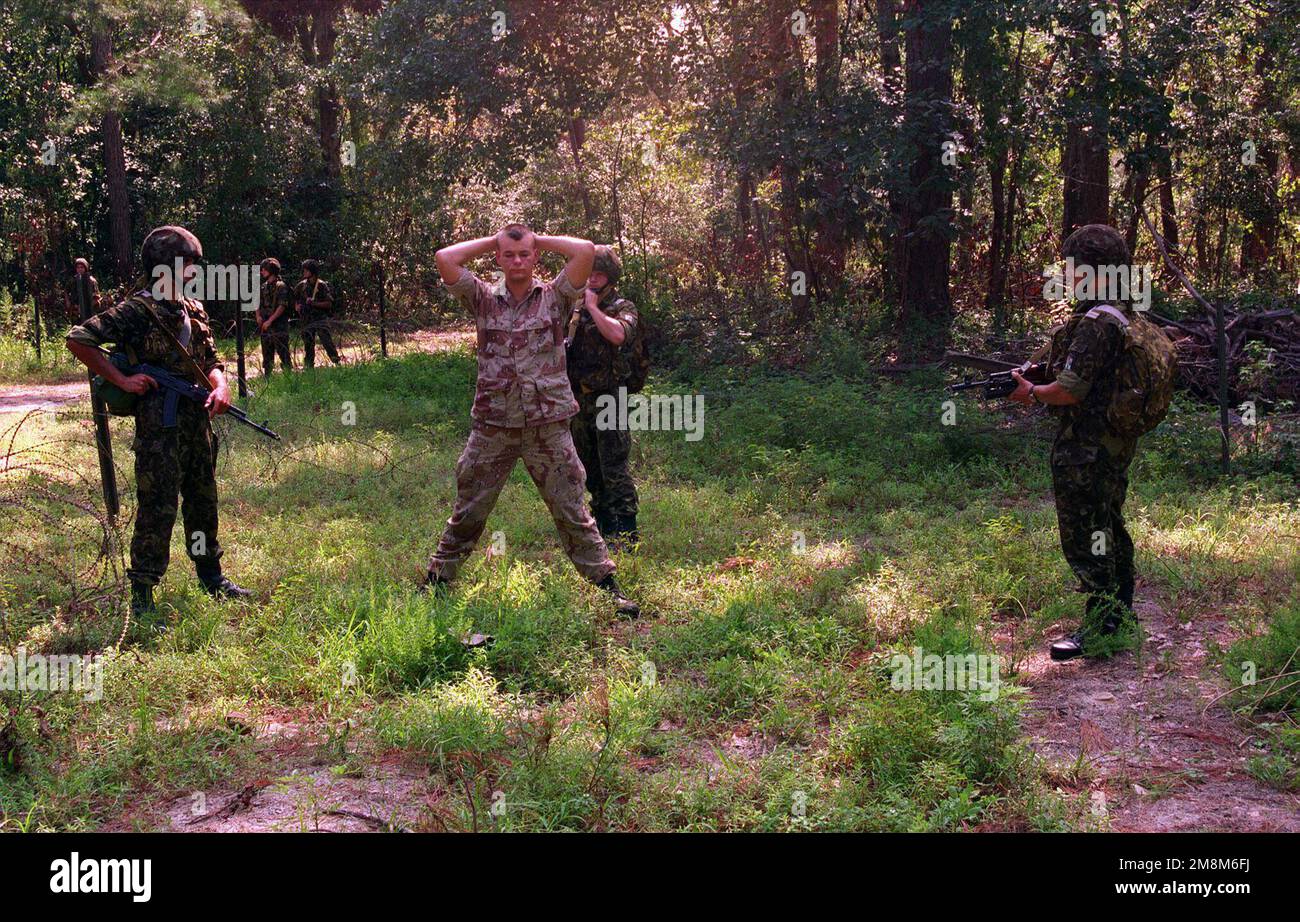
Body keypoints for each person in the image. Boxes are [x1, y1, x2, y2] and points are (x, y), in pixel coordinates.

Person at [422, 223, 639, 617]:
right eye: (509, 255)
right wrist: (496, 240)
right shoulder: (484, 299)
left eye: (525, 254)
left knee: (572, 508)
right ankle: (437, 581)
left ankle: (608, 586)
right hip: (494, 425)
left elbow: (585, 250)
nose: (518, 261)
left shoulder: (556, 297)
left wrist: (532, 239)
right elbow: (445, 259)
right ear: (498, 259)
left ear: (536, 256)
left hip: (548, 425)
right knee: (470, 507)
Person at [64, 225, 252, 626]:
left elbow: (212, 362)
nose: (194, 273)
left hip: (197, 424)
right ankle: (143, 594)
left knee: (203, 501)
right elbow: (79, 338)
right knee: (158, 508)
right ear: (165, 267)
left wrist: (221, 387)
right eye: (188, 265)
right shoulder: (137, 310)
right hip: (159, 432)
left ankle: (211, 576)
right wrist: (122, 380)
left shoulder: (194, 310)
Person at [1009, 223, 1168, 661]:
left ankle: (1101, 626)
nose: (1066, 273)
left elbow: (1070, 390)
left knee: (1088, 533)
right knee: (1109, 525)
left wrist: (1031, 393)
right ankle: (1119, 615)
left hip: (1087, 448)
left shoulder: (1097, 322)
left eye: (1071, 266)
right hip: (1112, 445)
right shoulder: (1123, 313)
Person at [566, 245, 641, 549]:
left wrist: (594, 309)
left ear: (610, 276)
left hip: (609, 397)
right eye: (589, 273)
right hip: (579, 399)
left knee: (614, 465)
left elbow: (619, 335)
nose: (593, 279)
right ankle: (603, 525)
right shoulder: (574, 306)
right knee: (588, 465)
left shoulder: (623, 306)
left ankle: (627, 531)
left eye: (599, 274)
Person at [295, 259, 343, 368]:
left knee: (326, 341)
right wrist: (296, 306)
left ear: (312, 271)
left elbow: (328, 304)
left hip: (320, 318)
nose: (304, 273)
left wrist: (314, 304)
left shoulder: (321, 285)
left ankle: (336, 361)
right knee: (308, 343)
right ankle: (308, 366)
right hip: (306, 318)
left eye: (306, 270)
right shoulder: (301, 285)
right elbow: (294, 297)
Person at [256, 258, 294, 375]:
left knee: (283, 352)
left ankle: (289, 377)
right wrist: (258, 316)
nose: (262, 271)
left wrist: (270, 321)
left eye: (264, 269)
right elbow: (257, 303)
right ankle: (267, 377)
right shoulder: (263, 286)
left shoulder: (281, 286)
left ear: (270, 270)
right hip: (265, 325)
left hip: (279, 324)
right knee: (267, 354)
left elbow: (282, 306)